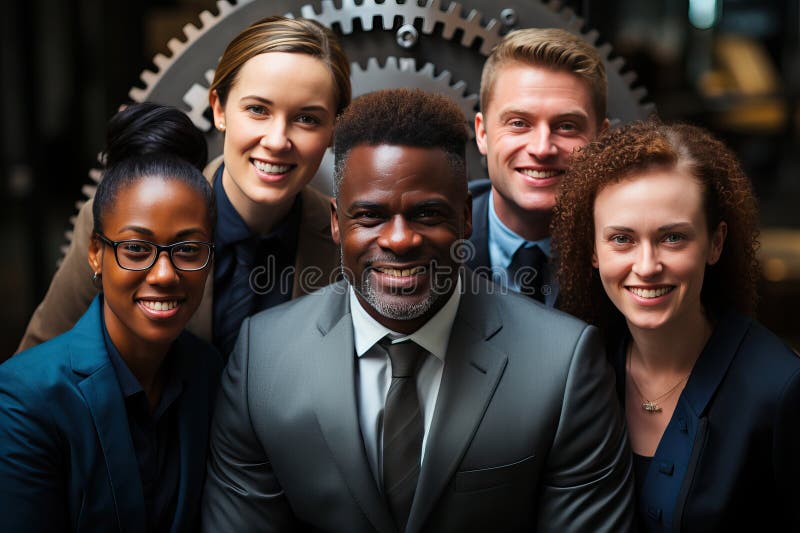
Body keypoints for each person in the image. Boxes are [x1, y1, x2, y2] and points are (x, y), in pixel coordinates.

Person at [201, 88, 634, 532]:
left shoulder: (563, 364)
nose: (400, 240)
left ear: (465, 217)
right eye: (370, 216)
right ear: (335, 223)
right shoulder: (263, 359)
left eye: (428, 214)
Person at [18, 15, 351, 356]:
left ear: (333, 131)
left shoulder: (350, 242)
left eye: (307, 119)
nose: (278, 141)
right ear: (219, 109)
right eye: (257, 109)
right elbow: (33, 371)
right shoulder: (117, 220)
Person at [553, 120, 800, 531]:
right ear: (592, 250)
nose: (647, 266)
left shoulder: (780, 390)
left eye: (673, 238)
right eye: (621, 239)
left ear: (715, 243)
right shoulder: (580, 368)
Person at [0, 103, 222, 532]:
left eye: (188, 249)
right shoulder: (23, 398)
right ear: (96, 254)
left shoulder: (210, 374)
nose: (164, 274)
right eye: (137, 249)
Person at [468, 28, 609, 305]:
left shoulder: (628, 254)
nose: (542, 148)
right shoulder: (435, 246)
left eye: (567, 126)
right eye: (519, 123)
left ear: (600, 140)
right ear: (482, 134)